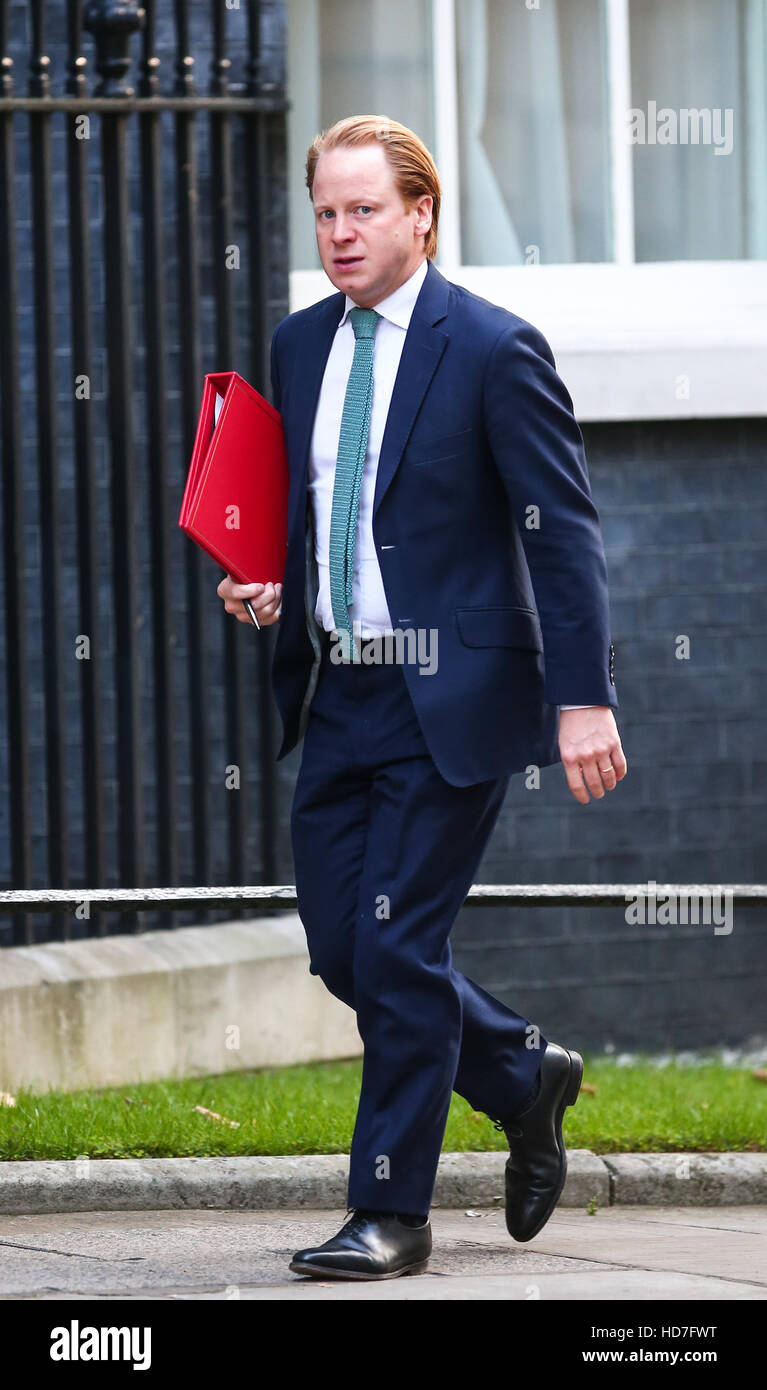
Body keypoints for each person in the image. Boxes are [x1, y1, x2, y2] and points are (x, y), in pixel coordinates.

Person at [217, 113, 627, 1281]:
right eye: (325, 212)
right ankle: (520, 1071)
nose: (340, 233)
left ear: (420, 215)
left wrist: (582, 697)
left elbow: (564, 537)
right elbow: (325, 515)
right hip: (339, 694)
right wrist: (270, 580)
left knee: (398, 951)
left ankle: (388, 1212)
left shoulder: (492, 349)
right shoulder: (300, 347)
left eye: (363, 210)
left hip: (451, 701)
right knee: (346, 948)